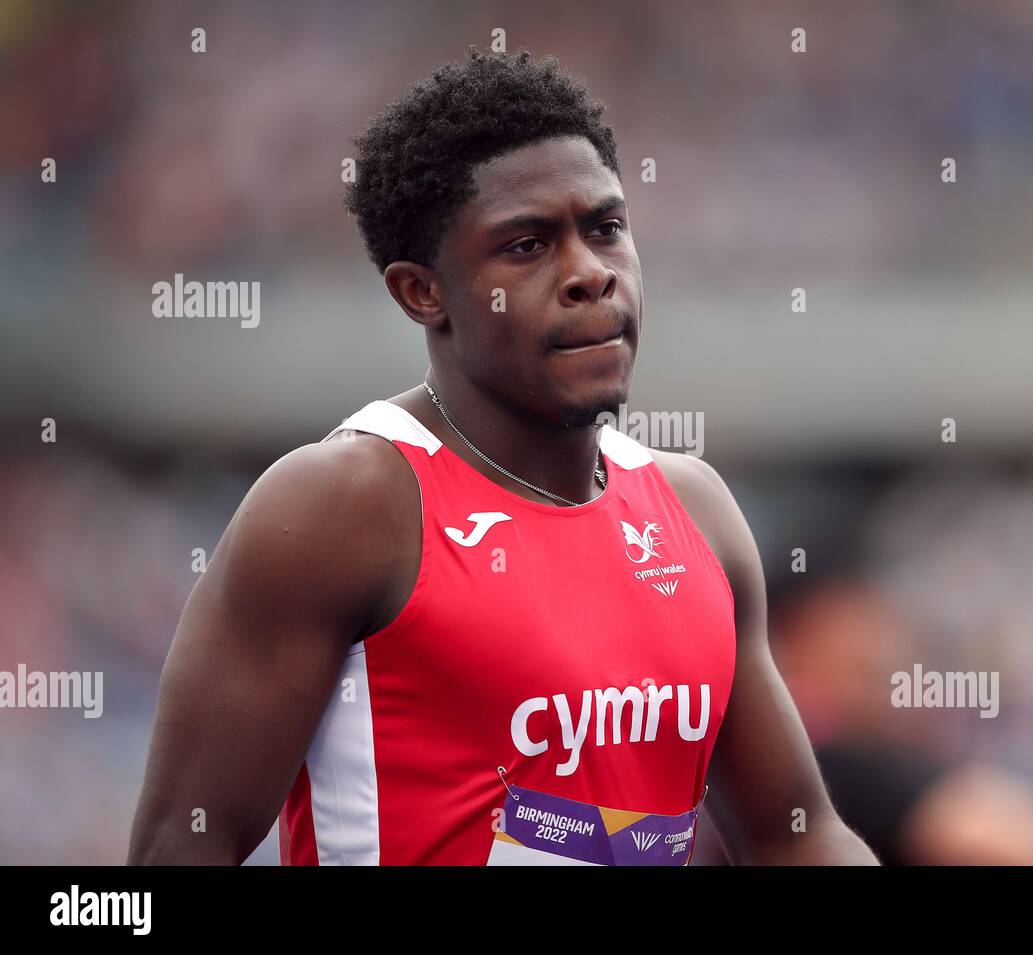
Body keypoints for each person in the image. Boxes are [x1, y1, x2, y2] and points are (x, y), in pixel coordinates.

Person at [128, 49, 878, 866]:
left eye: (606, 229)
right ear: (424, 291)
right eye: (527, 246)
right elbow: (179, 847)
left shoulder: (696, 513)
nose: (589, 274)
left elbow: (796, 835)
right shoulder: (343, 508)